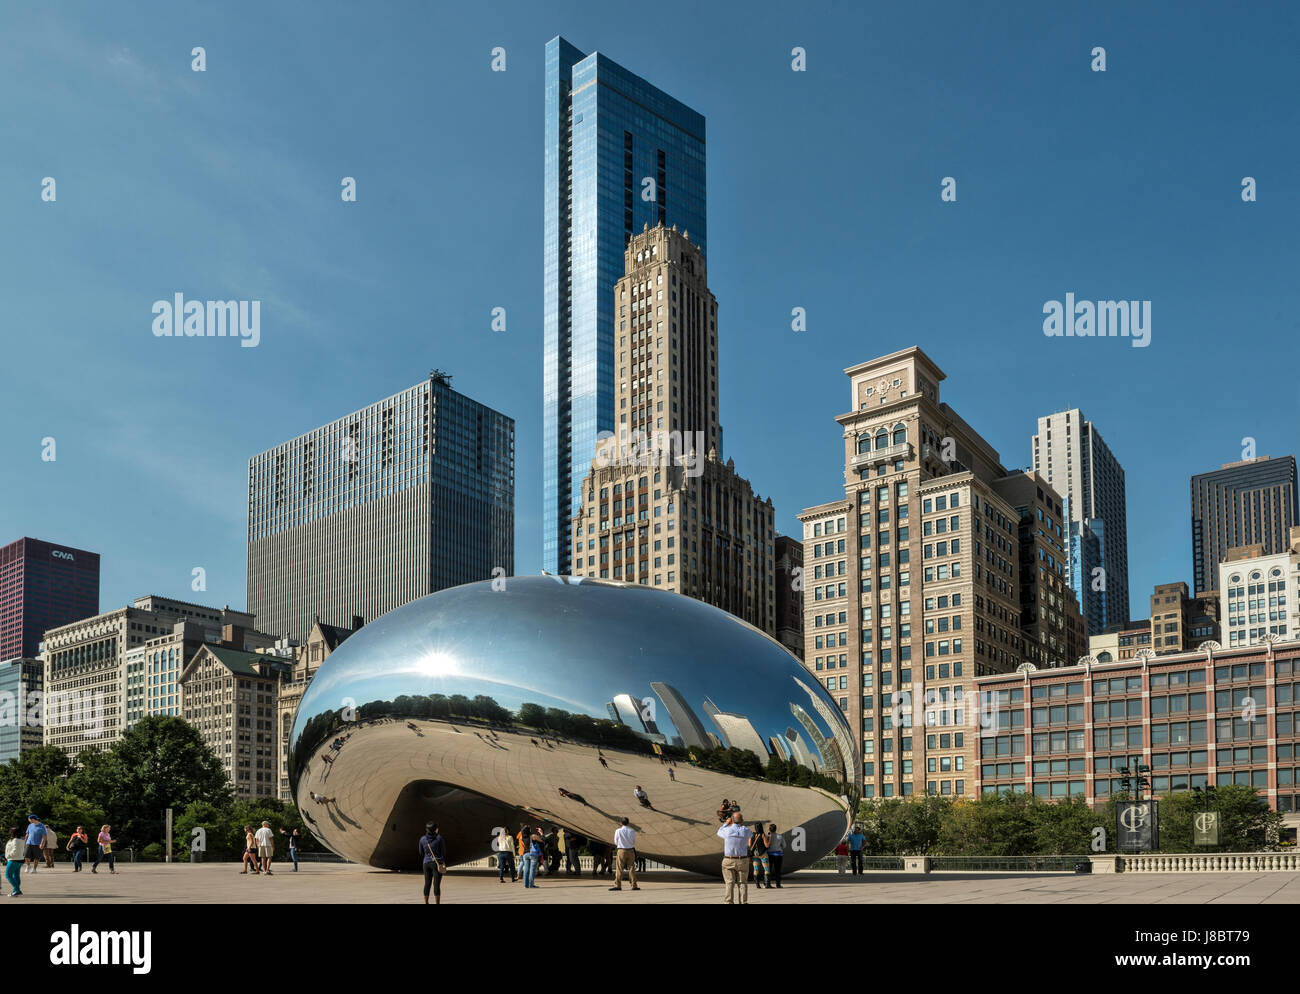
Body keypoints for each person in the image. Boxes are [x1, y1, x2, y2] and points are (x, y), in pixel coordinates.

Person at [718, 810, 753, 904]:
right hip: (742, 860)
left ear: (732, 820)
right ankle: (743, 902)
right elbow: (750, 835)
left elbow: (719, 832)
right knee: (742, 883)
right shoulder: (746, 830)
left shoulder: (726, 830)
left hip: (728, 859)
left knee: (729, 883)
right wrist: (741, 825)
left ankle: (728, 902)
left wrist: (726, 823)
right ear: (742, 820)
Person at [418, 823, 447, 904]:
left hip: (426, 863)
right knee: (436, 884)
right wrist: (441, 859)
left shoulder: (422, 839)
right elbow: (443, 852)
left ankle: (426, 902)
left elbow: (421, 852)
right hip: (437, 864)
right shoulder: (439, 838)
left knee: (427, 883)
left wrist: (427, 857)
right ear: (435, 829)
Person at [610, 817, 640, 891]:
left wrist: (620, 845)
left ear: (621, 823)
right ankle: (634, 885)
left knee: (619, 868)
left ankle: (618, 885)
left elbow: (615, 841)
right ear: (628, 823)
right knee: (631, 868)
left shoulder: (618, 831)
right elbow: (633, 841)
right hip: (631, 850)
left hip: (621, 850)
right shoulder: (632, 830)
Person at [749, 823, 769, 888]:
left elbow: (749, 845)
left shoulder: (752, 835)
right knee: (766, 869)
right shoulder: (763, 835)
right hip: (763, 854)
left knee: (756, 869)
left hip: (755, 855)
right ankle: (767, 884)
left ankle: (757, 885)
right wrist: (770, 839)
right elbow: (766, 845)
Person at [4, 828, 23, 896]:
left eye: (11, 831)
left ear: (13, 833)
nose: (10, 832)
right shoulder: (20, 840)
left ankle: (17, 890)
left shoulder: (15, 840)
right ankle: (16, 890)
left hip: (13, 860)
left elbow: (15, 850)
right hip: (19, 859)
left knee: (8, 875)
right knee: (16, 875)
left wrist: (8, 856)